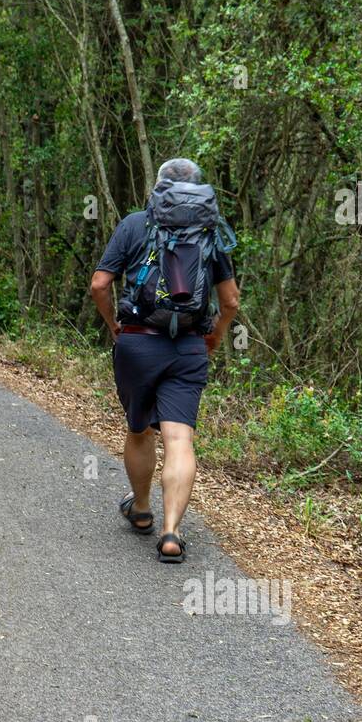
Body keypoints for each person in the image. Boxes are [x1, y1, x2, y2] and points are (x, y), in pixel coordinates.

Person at [88, 158, 239, 563]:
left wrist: (113, 325)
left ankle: (141, 509)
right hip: (189, 346)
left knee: (140, 430)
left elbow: (100, 284)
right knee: (179, 439)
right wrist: (213, 338)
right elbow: (230, 301)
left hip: (137, 342)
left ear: (157, 188)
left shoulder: (135, 224)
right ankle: (172, 532)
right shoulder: (210, 232)